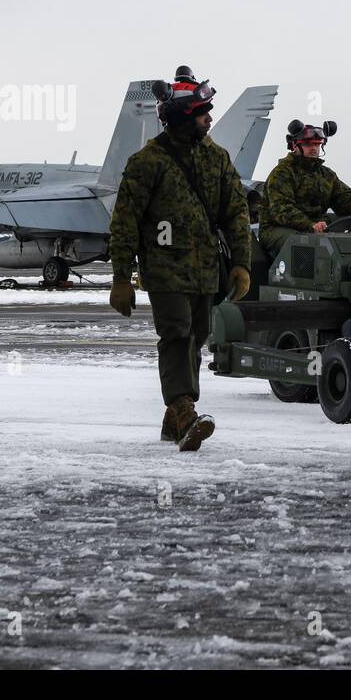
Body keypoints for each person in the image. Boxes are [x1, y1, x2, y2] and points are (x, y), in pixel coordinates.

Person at [107, 66, 252, 452]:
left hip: (206, 271)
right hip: (164, 269)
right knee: (176, 335)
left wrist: (241, 262)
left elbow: (236, 211)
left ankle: (173, 422)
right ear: (185, 115)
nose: (209, 117)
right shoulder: (148, 161)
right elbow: (125, 221)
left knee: (197, 338)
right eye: (204, 110)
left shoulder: (217, 158)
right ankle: (185, 410)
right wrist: (121, 276)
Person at [257, 119, 351, 256]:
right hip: (277, 228)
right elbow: (282, 210)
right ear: (296, 146)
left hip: (317, 227)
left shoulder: (326, 175)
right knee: (304, 244)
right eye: (309, 144)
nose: (314, 148)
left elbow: (345, 200)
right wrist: (310, 225)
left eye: (317, 144)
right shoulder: (282, 173)